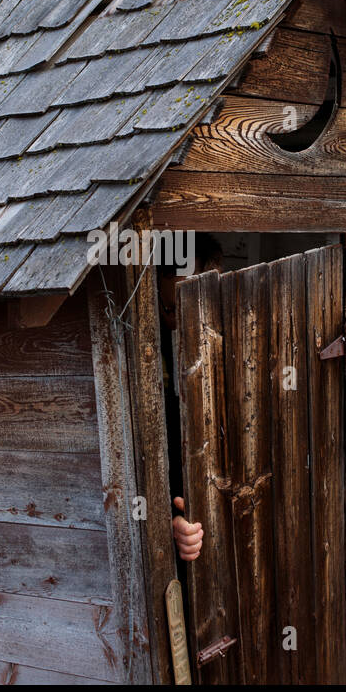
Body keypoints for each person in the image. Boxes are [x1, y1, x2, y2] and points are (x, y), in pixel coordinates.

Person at [156, 235, 223, 562]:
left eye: (187, 307)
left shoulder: (239, 341)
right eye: (169, 308)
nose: (176, 321)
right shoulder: (148, 349)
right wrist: (170, 521)